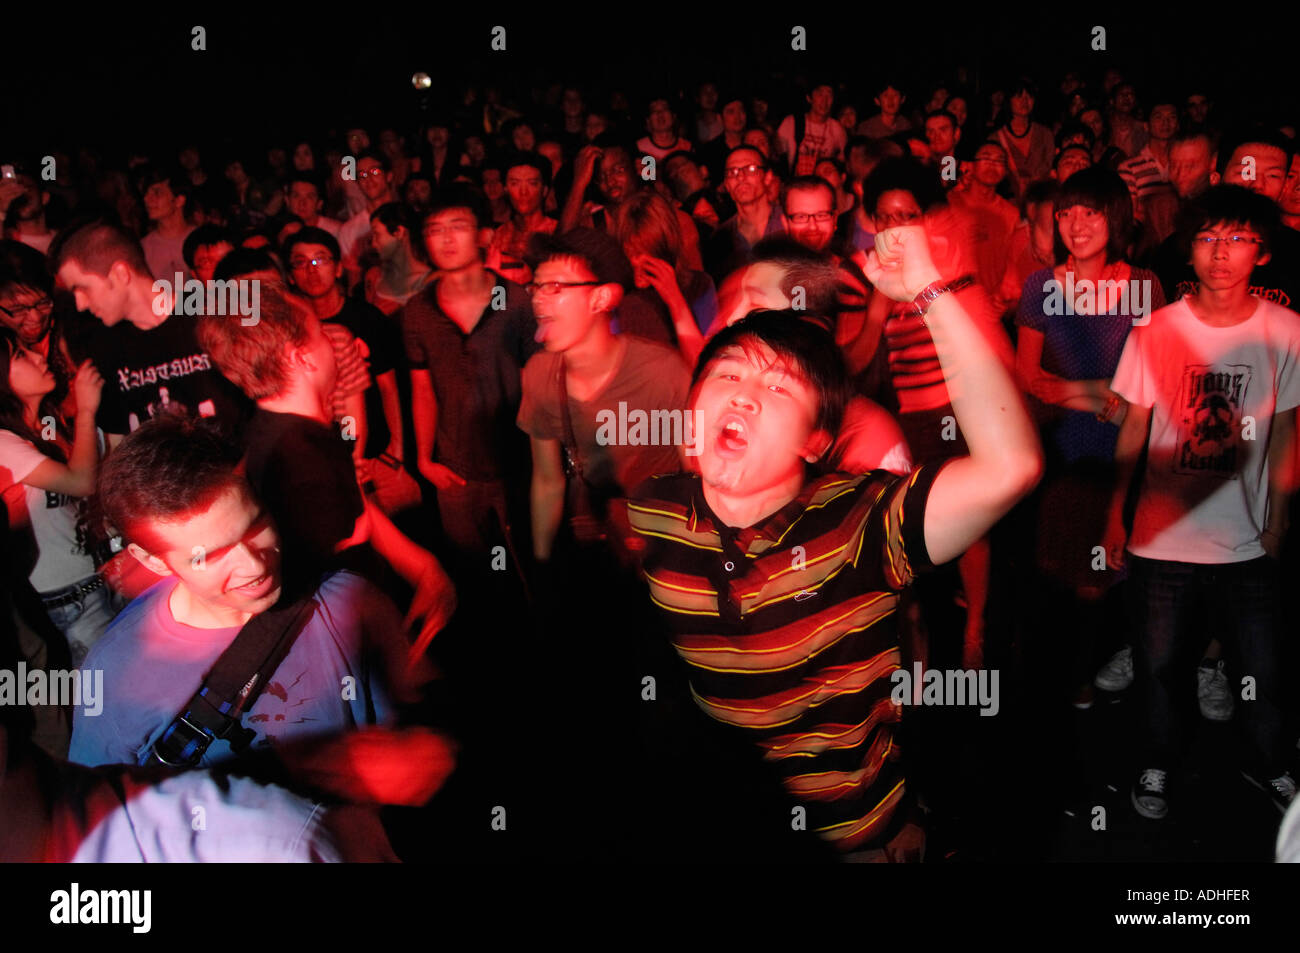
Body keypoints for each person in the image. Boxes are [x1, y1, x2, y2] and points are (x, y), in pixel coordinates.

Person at [623, 223, 1042, 857]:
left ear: (815, 440)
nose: (746, 398)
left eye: (778, 387)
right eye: (730, 376)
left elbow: (1010, 467)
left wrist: (929, 290)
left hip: (852, 832)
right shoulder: (651, 511)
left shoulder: (858, 522)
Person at [1102, 185, 1300, 818]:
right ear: (1187, 248)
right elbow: (1133, 429)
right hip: (1161, 538)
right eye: (1208, 237)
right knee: (1159, 668)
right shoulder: (1157, 329)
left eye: (1238, 238)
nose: (1222, 253)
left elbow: (1288, 433)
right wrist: (1115, 515)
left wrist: (1279, 523)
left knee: (1263, 672)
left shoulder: (1288, 330)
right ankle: (1157, 764)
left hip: (1247, 539)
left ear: (1262, 253)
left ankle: (1274, 766)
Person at [67, 414, 416, 769]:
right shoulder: (114, 675)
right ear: (153, 562)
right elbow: (101, 813)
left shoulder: (347, 601)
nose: (255, 566)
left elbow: (406, 741)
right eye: (211, 556)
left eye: (255, 525)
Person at [195, 286, 455, 653]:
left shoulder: (291, 430)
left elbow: (356, 512)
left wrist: (423, 568)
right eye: (319, 331)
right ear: (301, 358)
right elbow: (336, 586)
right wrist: (400, 665)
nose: (332, 342)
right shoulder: (298, 459)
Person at [1014, 166, 1164, 708]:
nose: (1076, 225)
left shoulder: (1144, 286)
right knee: (1054, 578)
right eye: (1065, 213)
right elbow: (1028, 379)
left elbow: (1148, 392)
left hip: (1120, 456)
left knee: (1104, 575)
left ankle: (1094, 673)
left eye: (1090, 212)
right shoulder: (1040, 285)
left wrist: (1080, 390)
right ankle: (1059, 687)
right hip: (1058, 453)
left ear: (1115, 217)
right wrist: (1105, 393)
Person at [518, 228, 688, 565]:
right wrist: (543, 563)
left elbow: (701, 476)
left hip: (665, 551)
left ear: (602, 298)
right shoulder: (539, 375)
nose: (538, 299)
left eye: (554, 287)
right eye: (536, 287)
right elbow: (548, 481)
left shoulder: (664, 373)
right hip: (594, 549)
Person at [404, 188, 538, 561]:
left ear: (484, 235)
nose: (445, 238)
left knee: (531, 565)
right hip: (454, 470)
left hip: (517, 464)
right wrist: (424, 461)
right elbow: (423, 389)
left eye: (457, 226)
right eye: (434, 229)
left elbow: (537, 380)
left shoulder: (514, 302)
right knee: (472, 573)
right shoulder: (418, 311)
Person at [51, 220, 252, 447]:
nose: (80, 304)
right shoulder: (103, 348)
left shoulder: (213, 313)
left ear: (120, 274)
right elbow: (119, 441)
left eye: (82, 288)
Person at [0, 329, 111, 667]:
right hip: (68, 601)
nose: (38, 357)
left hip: (98, 578)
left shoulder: (44, 426)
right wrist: (88, 413)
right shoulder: (3, 442)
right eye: (20, 355)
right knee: (109, 698)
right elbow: (81, 482)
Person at [703, 145, 784, 284]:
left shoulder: (792, 221)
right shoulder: (720, 240)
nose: (740, 176)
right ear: (727, 185)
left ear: (768, 177)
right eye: (732, 172)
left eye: (751, 169)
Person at [486, 152, 559, 285]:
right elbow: (497, 287)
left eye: (532, 183)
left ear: (544, 190)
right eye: (515, 184)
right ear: (506, 189)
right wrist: (500, 305)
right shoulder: (498, 236)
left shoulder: (558, 231)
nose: (523, 192)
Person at [367, 201, 434, 315]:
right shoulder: (374, 277)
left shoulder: (431, 282)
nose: (373, 243)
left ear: (399, 232)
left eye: (377, 234)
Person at [995, 80, 1055, 198]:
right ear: (1009, 100)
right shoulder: (996, 137)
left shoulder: (1045, 134)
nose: (1025, 101)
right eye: (1019, 96)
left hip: (1041, 198)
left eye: (1029, 96)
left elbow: (1049, 165)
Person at [776, 82, 847, 177]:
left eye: (829, 95)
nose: (824, 101)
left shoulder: (837, 129)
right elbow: (777, 155)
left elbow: (843, 162)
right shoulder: (791, 123)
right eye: (820, 94)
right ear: (809, 98)